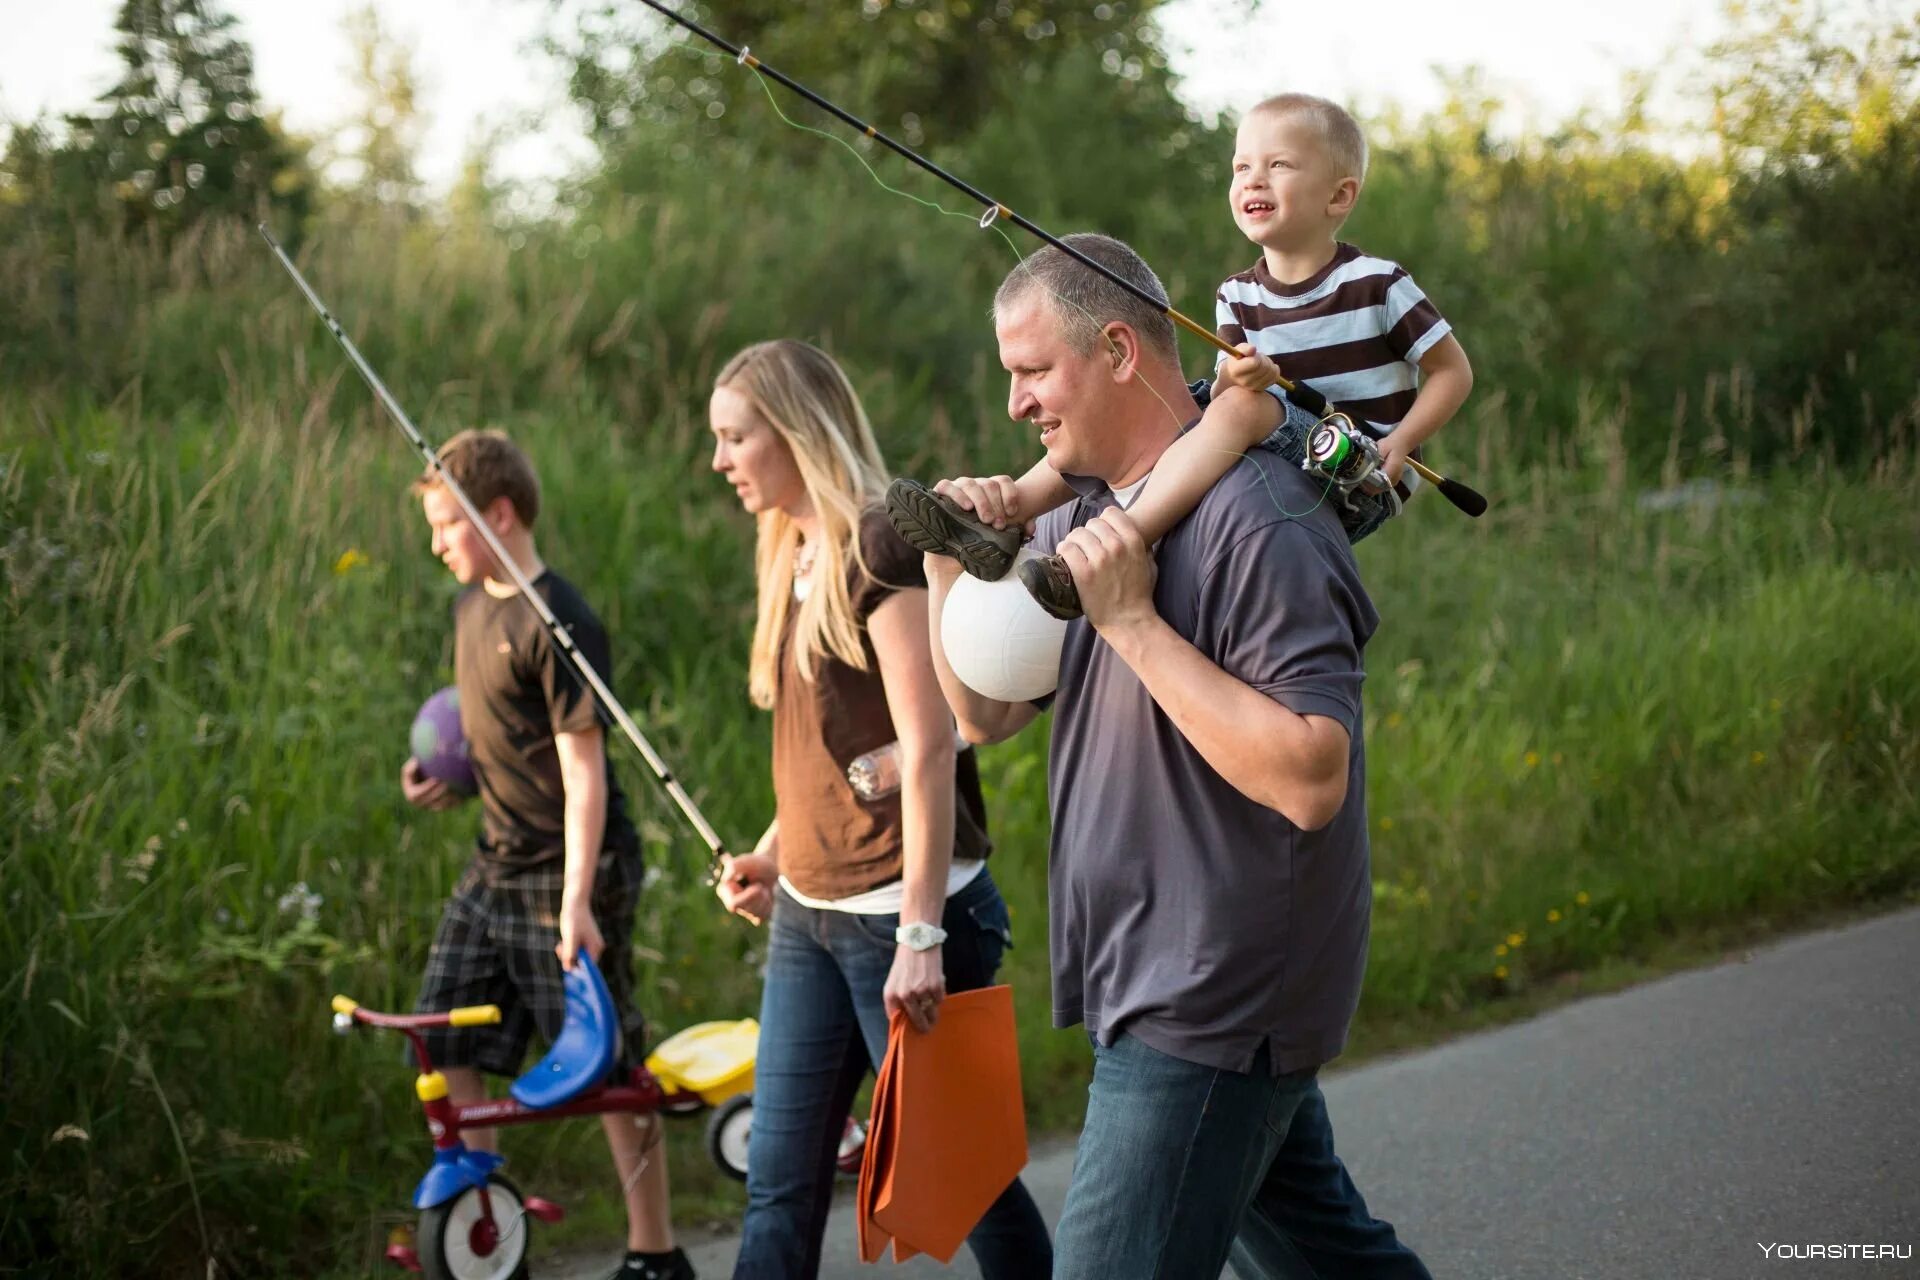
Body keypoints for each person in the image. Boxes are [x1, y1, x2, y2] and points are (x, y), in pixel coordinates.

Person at [920, 235, 1433, 1279]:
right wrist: (946, 567)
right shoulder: (1081, 506)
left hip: (1214, 988)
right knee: (1325, 1260)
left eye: (1032, 370)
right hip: (1143, 964)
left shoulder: (1260, 516)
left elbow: (1311, 775)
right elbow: (986, 714)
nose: (1015, 403)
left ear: (1116, 349)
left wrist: (1134, 625)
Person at [706, 340, 1052, 1279]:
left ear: (793, 431)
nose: (721, 461)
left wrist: (922, 935)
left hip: (906, 919)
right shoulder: (789, 548)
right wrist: (775, 854)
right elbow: (824, 754)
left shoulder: (876, 540)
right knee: (777, 1184)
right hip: (810, 919)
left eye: (736, 438)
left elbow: (931, 739)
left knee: (968, 1184)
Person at [888, 91, 1473, 618]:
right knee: (1184, 397)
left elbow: (1452, 372)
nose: (1254, 181)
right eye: (1242, 166)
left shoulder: (1378, 283)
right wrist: (1239, 379)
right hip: (1285, 428)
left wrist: (1398, 443)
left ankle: (1120, 540)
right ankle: (1008, 510)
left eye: (1279, 165)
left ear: (1340, 195)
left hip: (1359, 470)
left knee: (1243, 409)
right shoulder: (1236, 293)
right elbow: (1217, 401)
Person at [400, 429, 692, 1280]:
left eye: (448, 525)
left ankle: (653, 1252)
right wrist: (442, 781)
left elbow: (585, 776)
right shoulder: (470, 607)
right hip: (494, 862)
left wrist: (574, 904)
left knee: (598, 1058)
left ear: (498, 514)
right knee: (443, 1029)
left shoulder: (558, 619)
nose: (437, 543)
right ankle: (482, 1219)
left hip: (572, 868)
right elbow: (497, 741)